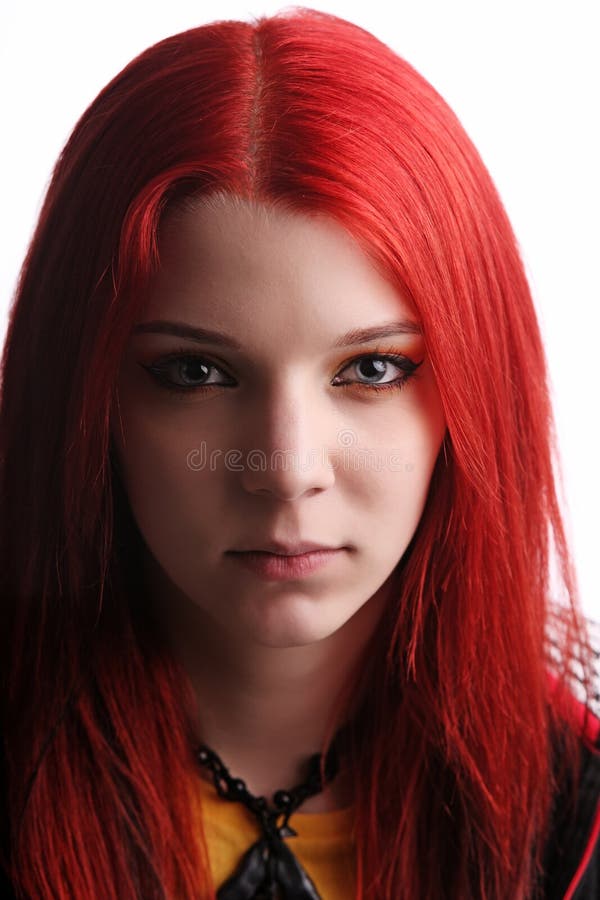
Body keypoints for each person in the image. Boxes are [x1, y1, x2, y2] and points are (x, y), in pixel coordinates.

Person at [0, 7, 598, 899]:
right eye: (197, 371)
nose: (286, 468)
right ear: (85, 397)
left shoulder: (573, 815)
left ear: (476, 393)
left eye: (373, 368)